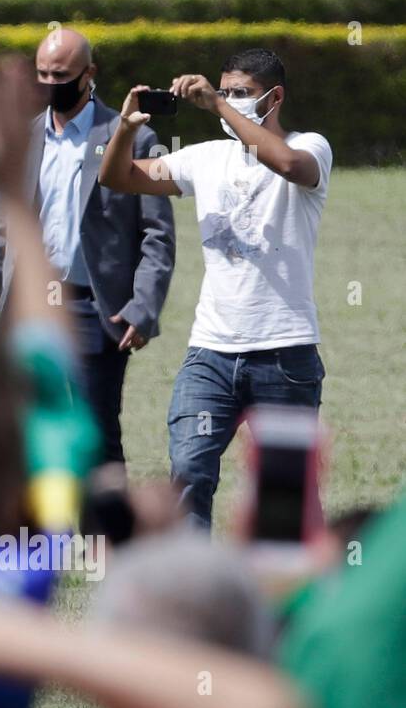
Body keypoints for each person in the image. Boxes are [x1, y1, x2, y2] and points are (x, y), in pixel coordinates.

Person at [99, 49, 333, 527]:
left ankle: (287, 597)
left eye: (241, 94)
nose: (229, 101)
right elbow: (117, 177)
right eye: (225, 92)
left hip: (284, 354)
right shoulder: (204, 159)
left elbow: (288, 166)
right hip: (211, 353)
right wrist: (124, 128)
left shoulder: (311, 146)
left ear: (275, 97)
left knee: (284, 495)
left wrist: (216, 106)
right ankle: (196, 593)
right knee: (187, 471)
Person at [0, 28, 175, 467]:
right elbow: (0, 231)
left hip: (94, 308)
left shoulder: (133, 137)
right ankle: (39, 537)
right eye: (42, 74)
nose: (50, 83)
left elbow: (157, 233)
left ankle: (103, 539)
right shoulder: (24, 138)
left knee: (96, 438)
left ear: (90, 74)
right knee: (26, 437)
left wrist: (144, 306)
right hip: (25, 308)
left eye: (61, 74)